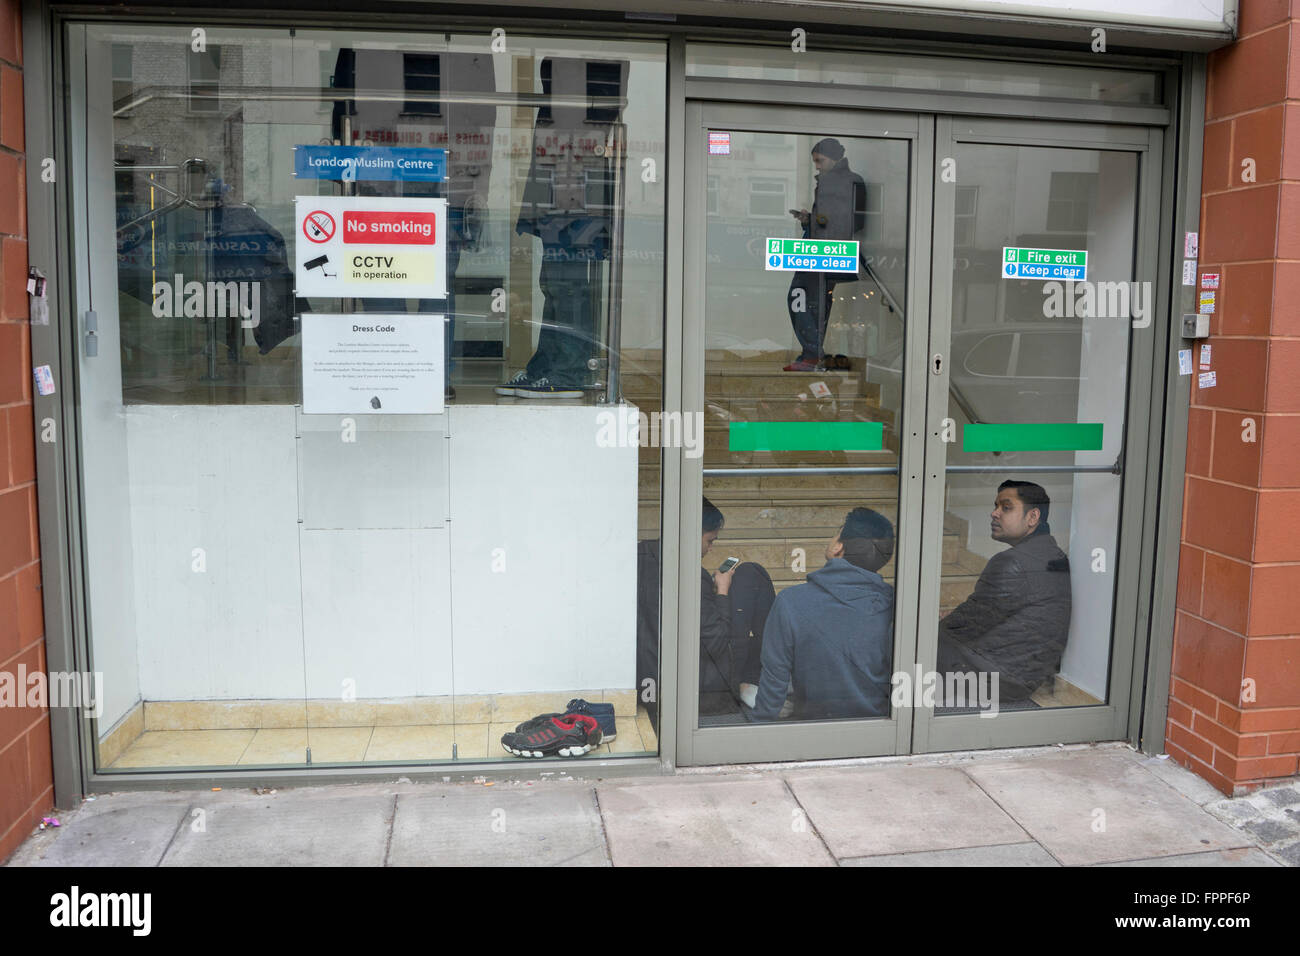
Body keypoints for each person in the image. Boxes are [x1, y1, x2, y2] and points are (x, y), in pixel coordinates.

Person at [635, 496, 775, 731]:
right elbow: (716, 641)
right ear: (691, 533)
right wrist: (721, 590)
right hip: (698, 693)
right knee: (753, 574)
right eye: (710, 540)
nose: (710, 548)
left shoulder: (642, 553)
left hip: (645, 678)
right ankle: (751, 683)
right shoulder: (690, 573)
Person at [749, 507, 895, 721]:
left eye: (837, 533)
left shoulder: (791, 602)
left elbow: (774, 683)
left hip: (815, 730)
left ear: (838, 547)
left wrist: (757, 732)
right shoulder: (897, 605)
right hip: (883, 732)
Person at [937, 480, 1072, 706]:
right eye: (996, 506)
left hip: (997, 679)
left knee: (907, 637)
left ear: (1033, 517)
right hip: (1025, 674)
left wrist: (936, 626)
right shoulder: (1052, 554)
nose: (994, 513)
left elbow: (966, 626)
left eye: (1006, 508)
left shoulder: (1011, 562)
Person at [784, 138, 866, 372]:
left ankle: (812, 354)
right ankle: (812, 354)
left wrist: (816, 226)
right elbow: (844, 221)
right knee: (817, 303)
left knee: (798, 296)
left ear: (833, 157)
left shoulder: (836, 182)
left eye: (819, 161)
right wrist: (811, 220)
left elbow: (840, 222)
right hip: (831, 252)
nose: (817, 166)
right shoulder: (849, 181)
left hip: (822, 252)